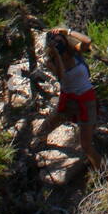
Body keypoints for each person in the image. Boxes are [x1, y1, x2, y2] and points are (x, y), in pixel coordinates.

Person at [40, 29, 100, 171]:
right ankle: (42, 150)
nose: (58, 43)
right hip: (69, 100)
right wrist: (57, 55)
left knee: (86, 145)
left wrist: (67, 31)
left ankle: (103, 172)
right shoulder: (51, 61)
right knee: (44, 129)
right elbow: (62, 77)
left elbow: (88, 41)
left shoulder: (75, 51)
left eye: (60, 40)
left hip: (87, 99)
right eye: (54, 41)